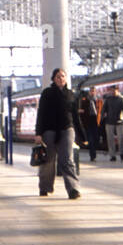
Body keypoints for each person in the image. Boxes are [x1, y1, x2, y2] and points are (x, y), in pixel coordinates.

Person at [34, 68, 81, 199]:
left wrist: (82, 134)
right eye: (58, 77)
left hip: (66, 128)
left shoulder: (71, 94)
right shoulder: (47, 93)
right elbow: (41, 113)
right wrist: (38, 133)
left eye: (63, 76)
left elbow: (75, 116)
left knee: (67, 159)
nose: (61, 79)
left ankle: (73, 189)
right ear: (53, 79)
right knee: (48, 160)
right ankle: (44, 187)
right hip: (49, 130)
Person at [103, 87, 123, 162]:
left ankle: (122, 153)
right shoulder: (108, 99)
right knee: (110, 139)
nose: (113, 92)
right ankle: (112, 155)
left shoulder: (121, 99)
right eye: (111, 90)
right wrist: (102, 120)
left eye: (114, 90)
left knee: (121, 138)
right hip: (109, 121)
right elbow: (104, 109)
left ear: (117, 91)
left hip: (119, 121)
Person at [77, 89, 101, 163]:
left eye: (93, 91)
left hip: (96, 122)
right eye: (91, 91)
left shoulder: (98, 101)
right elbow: (80, 111)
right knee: (91, 140)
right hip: (88, 123)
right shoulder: (84, 101)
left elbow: (100, 111)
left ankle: (94, 153)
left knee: (96, 138)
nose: (92, 93)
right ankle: (92, 156)